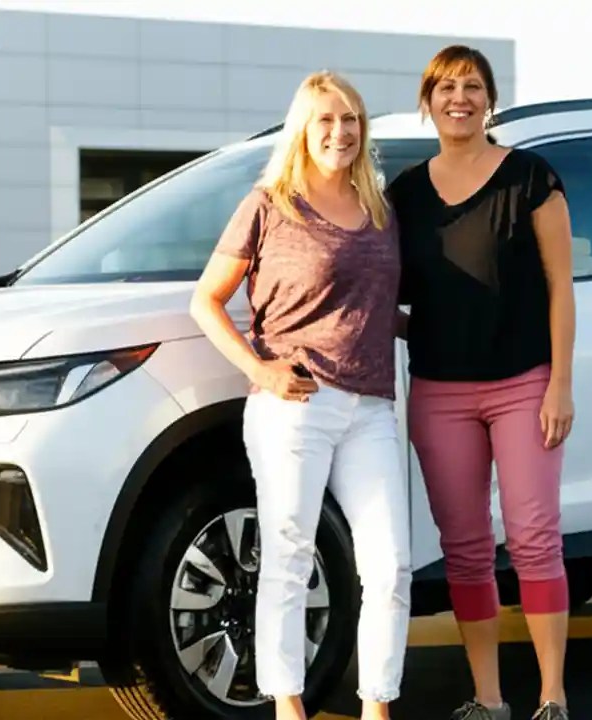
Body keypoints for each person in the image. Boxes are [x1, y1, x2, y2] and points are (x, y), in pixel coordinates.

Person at [189, 70, 412, 720]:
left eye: (350, 121)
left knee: (392, 565)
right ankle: (289, 707)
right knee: (288, 558)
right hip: (296, 405)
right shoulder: (269, 204)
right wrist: (260, 371)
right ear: (303, 130)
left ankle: (378, 707)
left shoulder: (379, 210)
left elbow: (373, 307)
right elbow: (206, 301)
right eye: (325, 121)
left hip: (371, 406)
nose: (339, 133)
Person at [387, 45, 577, 720]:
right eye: (445, 87)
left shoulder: (529, 177)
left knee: (532, 538)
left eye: (471, 85)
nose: (458, 97)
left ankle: (552, 696)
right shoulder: (405, 192)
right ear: (428, 101)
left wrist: (560, 384)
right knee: (464, 549)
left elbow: (561, 287)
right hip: (440, 393)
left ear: (488, 100)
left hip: (524, 383)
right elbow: (385, 290)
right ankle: (489, 698)